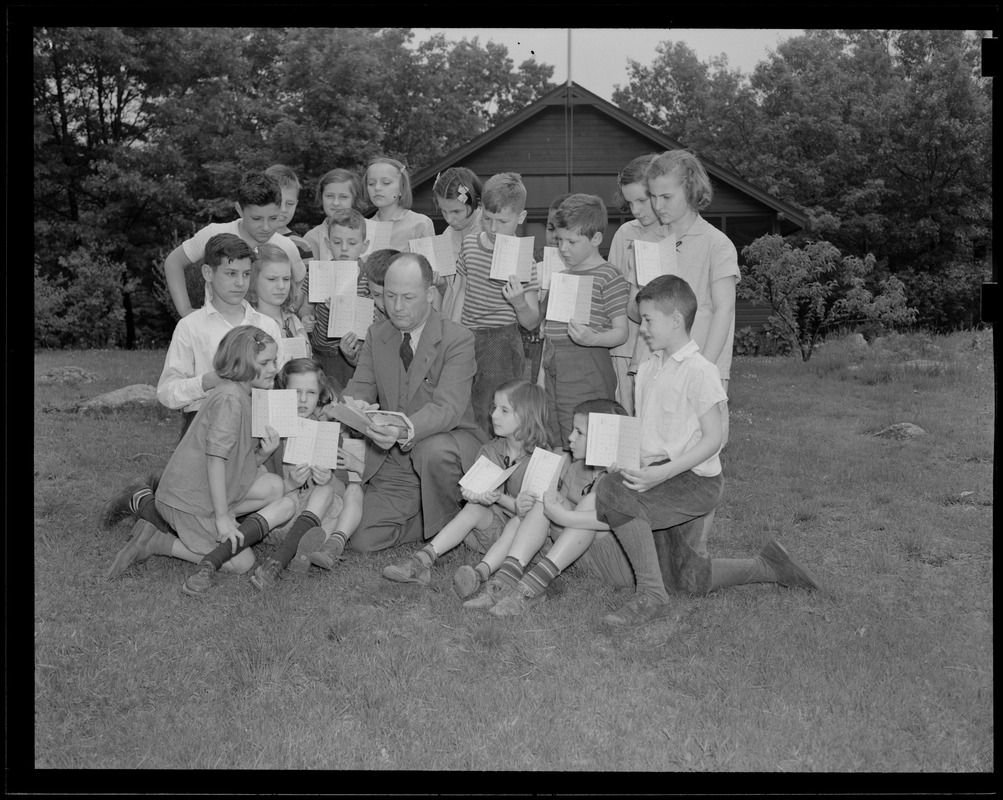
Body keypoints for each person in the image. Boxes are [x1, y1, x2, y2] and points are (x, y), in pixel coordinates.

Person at [585, 275, 819, 627]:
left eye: (648, 319)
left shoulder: (701, 371)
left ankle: (651, 596)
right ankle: (769, 566)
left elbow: (714, 440)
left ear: (676, 320)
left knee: (612, 490)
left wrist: (659, 474)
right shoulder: (647, 369)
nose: (642, 327)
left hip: (695, 482)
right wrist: (630, 461)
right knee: (686, 579)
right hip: (660, 476)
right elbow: (647, 433)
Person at [105, 326, 289, 590]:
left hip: (203, 491)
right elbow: (216, 460)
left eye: (274, 361)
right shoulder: (230, 401)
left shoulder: (240, 394)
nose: (274, 368)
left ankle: (212, 526)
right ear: (241, 365)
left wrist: (263, 453)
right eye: (265, 363)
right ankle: (158, 541)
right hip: (188, 500)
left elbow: (235, 462)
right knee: (242, 563)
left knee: (274, 486)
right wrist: (223, 517)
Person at [337, 251, 487, 552]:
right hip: (394, 459)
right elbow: (360, 388)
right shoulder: (376, 334)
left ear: (430, 294)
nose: (396, 306)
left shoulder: (458, 338)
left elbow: (448, 410)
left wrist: (402, 430)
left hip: (446, 448)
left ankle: (443, 524)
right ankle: (444, 519)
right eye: (389, 296)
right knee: (363, 540)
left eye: (408, 297)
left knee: (432, 450)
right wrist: (356, 408)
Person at [464, 398, 631, 613]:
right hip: (576, 557)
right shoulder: (576, 468)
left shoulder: (625, 475)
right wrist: (531, 506)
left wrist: (561, 515)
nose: (570, 437)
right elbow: (552, 515)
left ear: (604, 438)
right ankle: (504, 582)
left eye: (579, 432)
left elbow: (612, 521)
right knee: (543, 500)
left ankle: (532, 586)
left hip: (613, 562)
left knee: (590, 500)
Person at [381, 379, 550, 586]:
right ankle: (422, 562)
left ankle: (480, 574)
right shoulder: (490, 450)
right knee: (474, 507)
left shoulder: (543, 459)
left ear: (527, 416)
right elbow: (472, 489)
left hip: (525, 543)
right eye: (494, 408)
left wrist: (500, 498)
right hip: (491, 532)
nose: (493, 415)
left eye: (504, 410)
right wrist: (473, 494)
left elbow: (534, 515)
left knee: (516, 519)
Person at [631, 149, 741, 446]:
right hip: (654, 368)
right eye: (653, 196)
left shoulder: (717, 244)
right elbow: (635, 311)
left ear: (691, 190)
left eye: (666, 197)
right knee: (652, 452)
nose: (657, 205)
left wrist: (701, 370)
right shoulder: (647, 242)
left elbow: (723, 310)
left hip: (701, 364)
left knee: (697, 455)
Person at [250, 358, 366, 590]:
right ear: (282, 393)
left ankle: (305, 553)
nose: (303, 400)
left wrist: (330, 479)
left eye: (311, 392)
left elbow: (342, 492)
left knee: (337, 493)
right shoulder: (272, 431)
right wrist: (289, 481)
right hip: (281, 518)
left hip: (318, 516)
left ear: (320, 394)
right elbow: (254, 486)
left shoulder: (327, 433)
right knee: (313, 497)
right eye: (296, 392)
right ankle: (295, 551)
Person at [156, 233, 283, 441]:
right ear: (208, 273)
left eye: (246, 274)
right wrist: (207, 381)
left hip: (257, 427)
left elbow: (281, 382)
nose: (240, 283)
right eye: (231, 273)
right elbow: (167, 393)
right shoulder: (190, 326)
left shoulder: (267, 325)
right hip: (202, 426)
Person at [454, 172, 542, 435]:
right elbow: (460, 290)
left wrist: (518, 303)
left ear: (520, 218)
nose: (493, 229)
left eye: (502, 221)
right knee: (462, 405)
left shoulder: (526, 260)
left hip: (501, 342)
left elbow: (531, 321)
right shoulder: (470, 243)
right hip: (465, 336)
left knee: (493, 411)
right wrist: (452, 330)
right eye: (488, 219)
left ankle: (491, 465)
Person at [542, 193, 629, 447]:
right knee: (557, 432)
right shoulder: (562, 275)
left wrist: (595, 338)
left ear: (596, 239)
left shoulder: (608, 275)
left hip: (588, 368)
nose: (562, 248)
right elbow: (550, 332)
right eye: (559, 240)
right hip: (555, 366)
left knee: (586, 436)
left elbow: (621, 331)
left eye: (572, 241)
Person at [161, 170, 306, 318]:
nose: (266, 227)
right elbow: (173, 262)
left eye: (273, 218)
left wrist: (291, 309)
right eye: (257, 218)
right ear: (239, 210)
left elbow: (301, 283)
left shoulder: (286, 246)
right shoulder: (214, 234)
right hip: (218, 333)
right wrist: (185, 311)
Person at [606, 154, 662, 415]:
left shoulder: (675, 234)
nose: (636, 210)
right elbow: (613, 292)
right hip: (625, 348)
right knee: (627, 418)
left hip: (661, 348)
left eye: (642, 200)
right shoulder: (625, 233)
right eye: (630, 203)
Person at [299, 208, 370, 390]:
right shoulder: (318, 272)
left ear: (365, 245)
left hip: (351, 357)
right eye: (337, 242)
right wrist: (306, 318)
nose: (344, 248)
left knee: (347, 401)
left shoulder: (369, 278)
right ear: (327, 243)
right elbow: (306, 306)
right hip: (319, 353)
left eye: (352, 243)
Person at [431, 166, 484, 321]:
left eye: (456, 212)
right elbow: (449, 293)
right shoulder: (447, 235)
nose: (449, 219)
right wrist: (441, 285)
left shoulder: (490, 232)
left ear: (476, 202)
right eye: (443, 211)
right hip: (450, 324)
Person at [362, 156, 434, 255]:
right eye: (371, 183)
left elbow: (430, 268)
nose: (377, 188)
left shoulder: (421, 223)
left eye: (386, 183)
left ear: (402, 187)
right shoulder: (364, 227)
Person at [247, 243, 310, 355]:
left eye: (286, 279)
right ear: (253, 280)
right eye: (272, 279)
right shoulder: (250, 324)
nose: (281, 286)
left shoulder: (292, 318)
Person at [303, 168, 368, 261]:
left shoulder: (370, 231)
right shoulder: (312, 238)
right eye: (329, 196)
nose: (336, 203)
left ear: (354, 199)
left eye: (343, 197)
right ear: (321, 197)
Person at [265, 164, 313, 263]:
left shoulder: (302, 246)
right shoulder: (249, 240)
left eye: (290, 203)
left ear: (296, 204)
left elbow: (307, 278)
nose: (283, 209)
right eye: (278, 202)